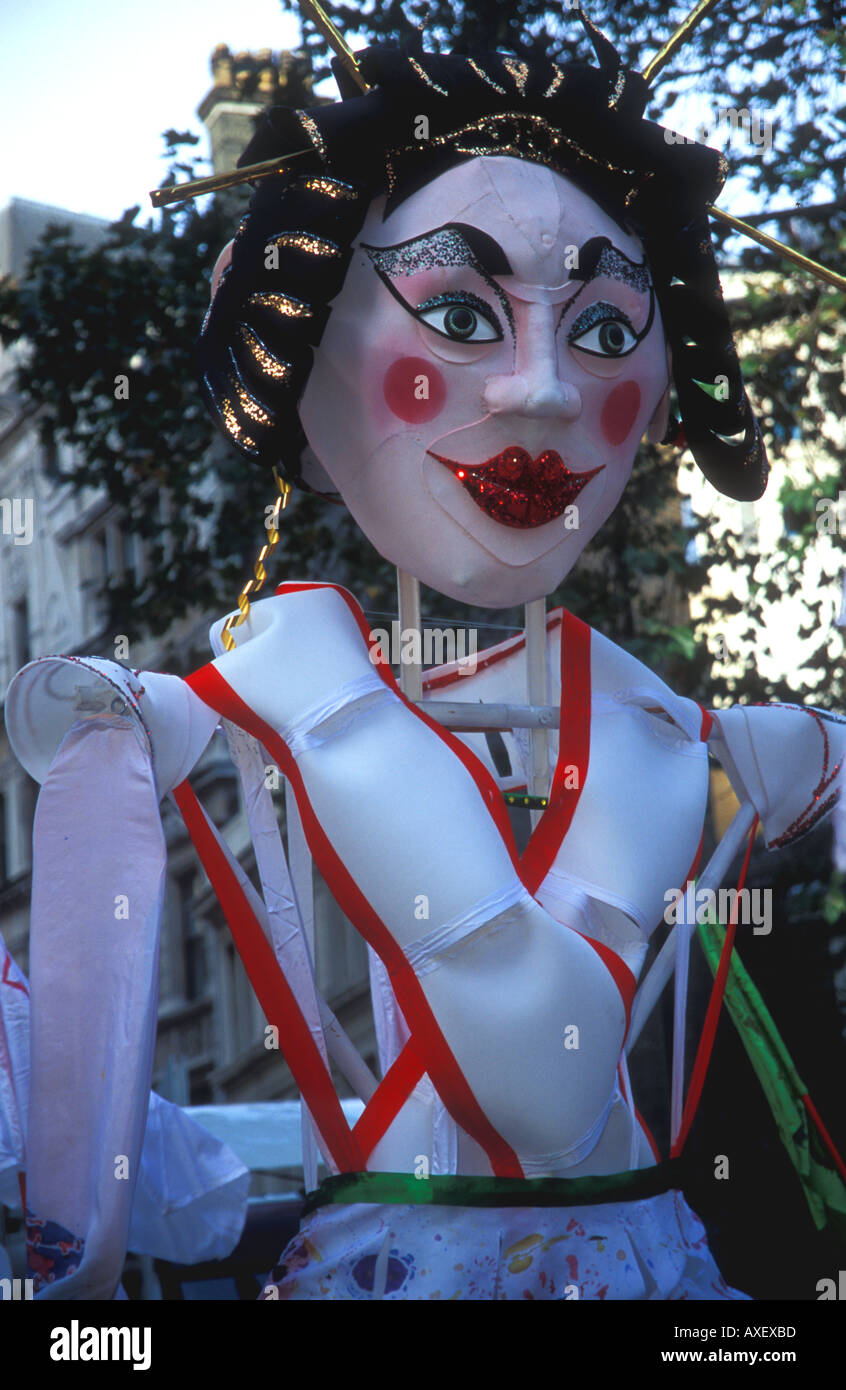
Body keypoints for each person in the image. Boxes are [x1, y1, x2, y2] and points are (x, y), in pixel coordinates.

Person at [6, 20, 844, 1301]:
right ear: (297, 338)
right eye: (458, 312)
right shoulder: (157, 721)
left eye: (611, 328)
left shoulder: (716, 741)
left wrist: (336, 713)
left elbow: (551, 1075)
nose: (545, 392)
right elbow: (87, 1163)